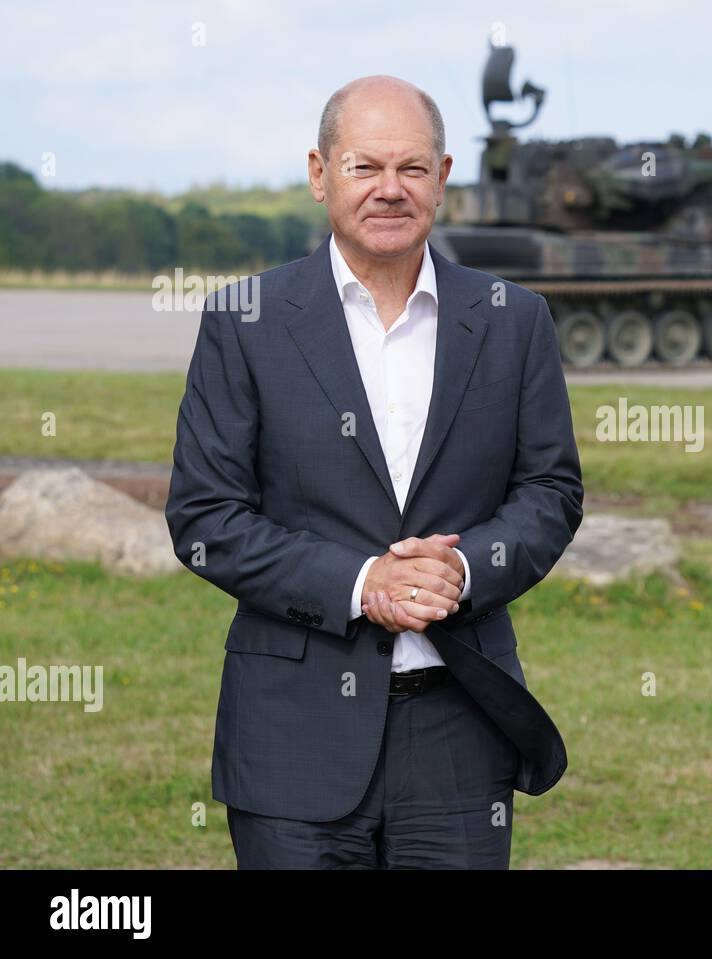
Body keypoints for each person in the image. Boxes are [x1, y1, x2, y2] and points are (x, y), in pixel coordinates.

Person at [165, 75, 583, 868]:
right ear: (320, 174)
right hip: (293, 732)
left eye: (412, 169)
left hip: (461, 728)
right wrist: (364, 584)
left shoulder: (515, 319)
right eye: (364, 167)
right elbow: (206, 519)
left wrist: (461, 567)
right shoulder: (243, 322)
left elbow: (552, 493)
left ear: (444, 176)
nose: (389, 190)